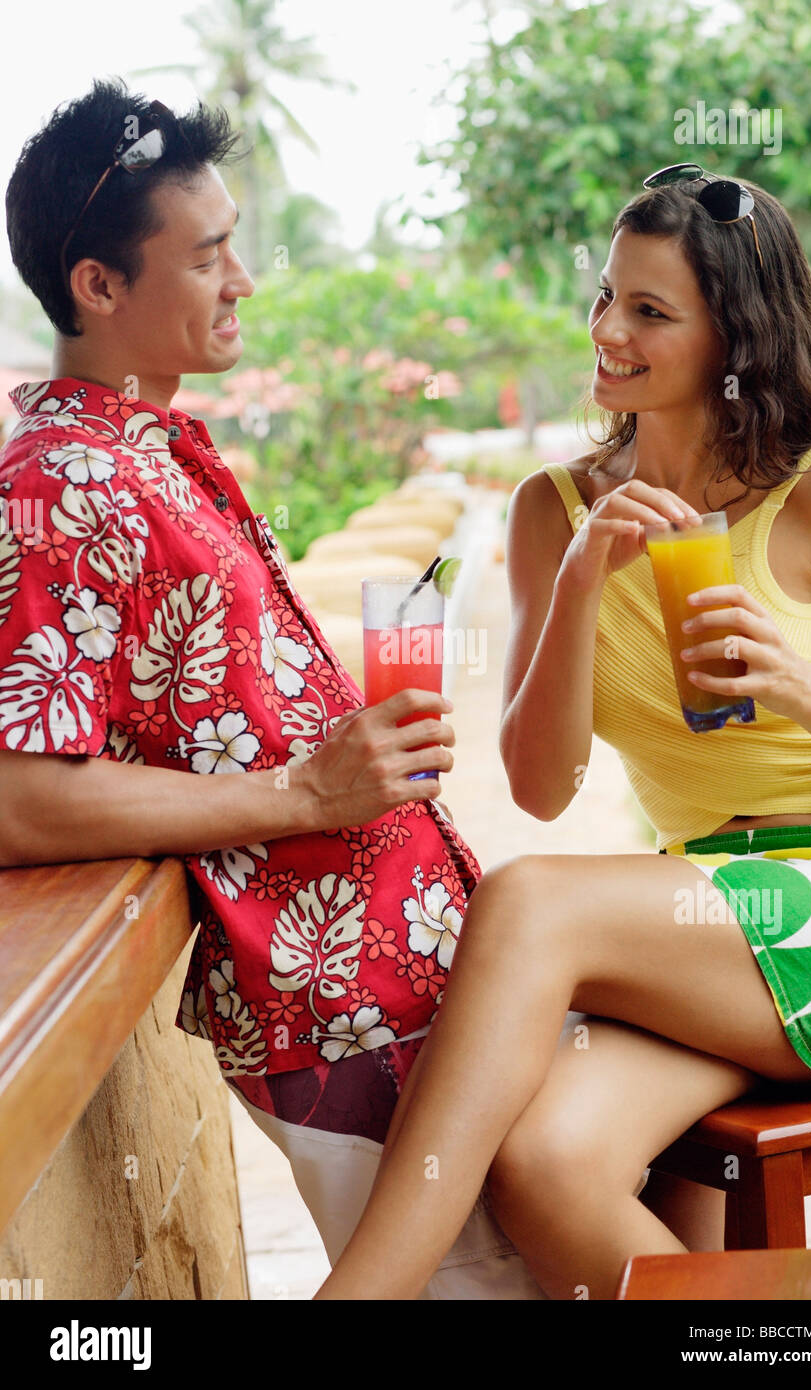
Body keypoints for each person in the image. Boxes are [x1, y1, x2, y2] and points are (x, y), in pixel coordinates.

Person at [0, 78, 559, 1299]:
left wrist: (337, 737)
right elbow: (20, 800)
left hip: (413, 976)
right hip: (339, 1012)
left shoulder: (150, 449)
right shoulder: (58, 483)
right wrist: (306, 787)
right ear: (96, 285)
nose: (242, 278)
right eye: (206, 255)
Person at [313, 169, 811, 1301]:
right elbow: (541, 784)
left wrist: (793, 685)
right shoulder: (550, 511)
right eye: (605, 297)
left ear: (736, 337)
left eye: (650, 312)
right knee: (544, 1163)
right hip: (701, 915)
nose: (608, 331)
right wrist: (577, 580)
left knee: (526, 900)